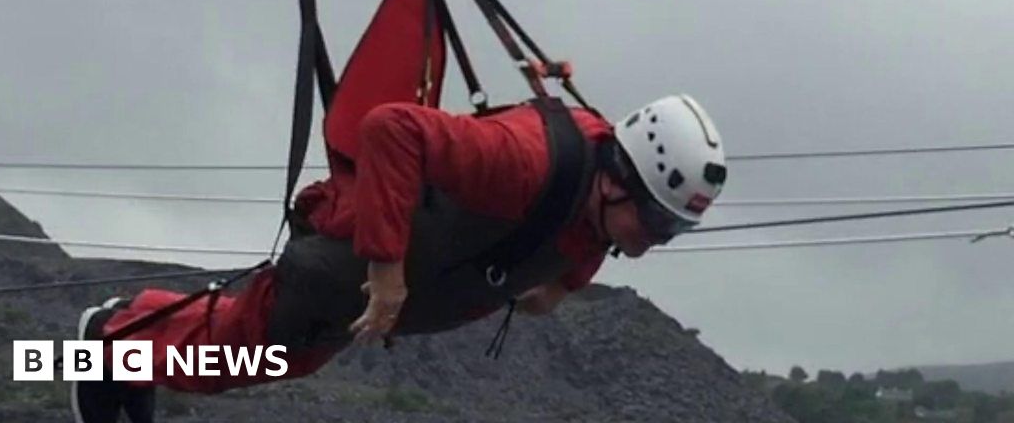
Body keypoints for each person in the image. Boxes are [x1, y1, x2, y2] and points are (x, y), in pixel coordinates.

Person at [71, 94, 727, 423]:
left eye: (671, 232)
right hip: (343, 267)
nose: (653, 243)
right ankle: (102, 348)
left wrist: (555, 289)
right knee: (237, 356)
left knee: (249, 346)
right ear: (618, 179)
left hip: (363, 297)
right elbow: (392, 128)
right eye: (657, 223)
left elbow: (582, 247)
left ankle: (131, 328)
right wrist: (386, 276)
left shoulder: (598, 209)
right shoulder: (524, 164)